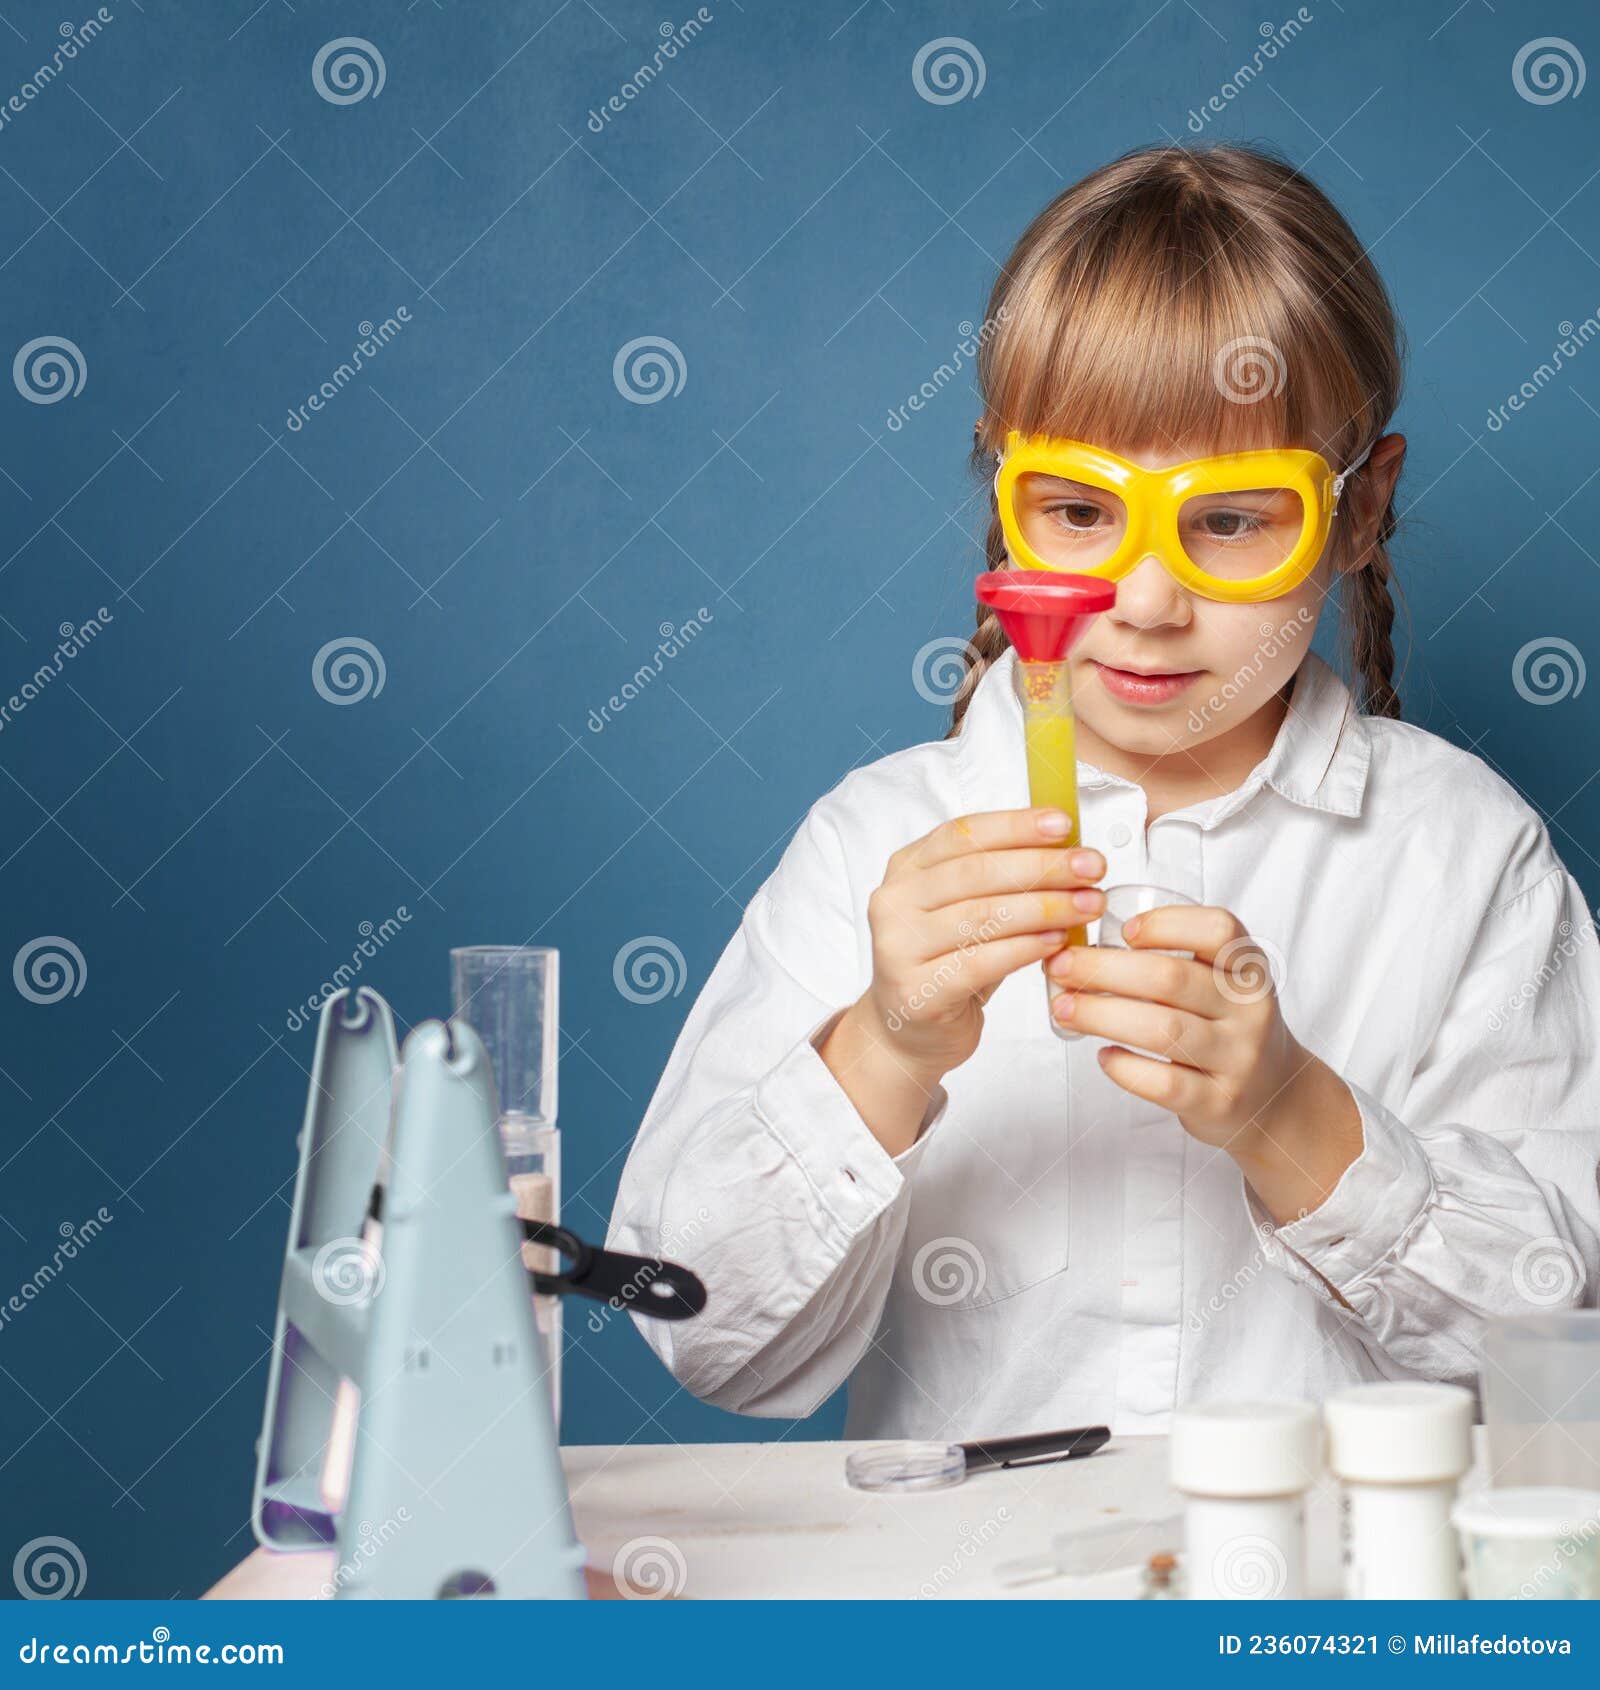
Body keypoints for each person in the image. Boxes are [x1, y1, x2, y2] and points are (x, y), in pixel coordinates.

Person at [608, 141, 1600, 1438]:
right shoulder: (877, 843)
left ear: (1362, 514)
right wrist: (884, 1047)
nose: (1143, 601)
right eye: (1079, 510)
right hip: (973, 1623)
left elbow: (1555, 1347)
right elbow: (702, 1333)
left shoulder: (1464, 853)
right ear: (1005, 494)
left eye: (1233, 520)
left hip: (1326, 1617)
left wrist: (1294, 1116)